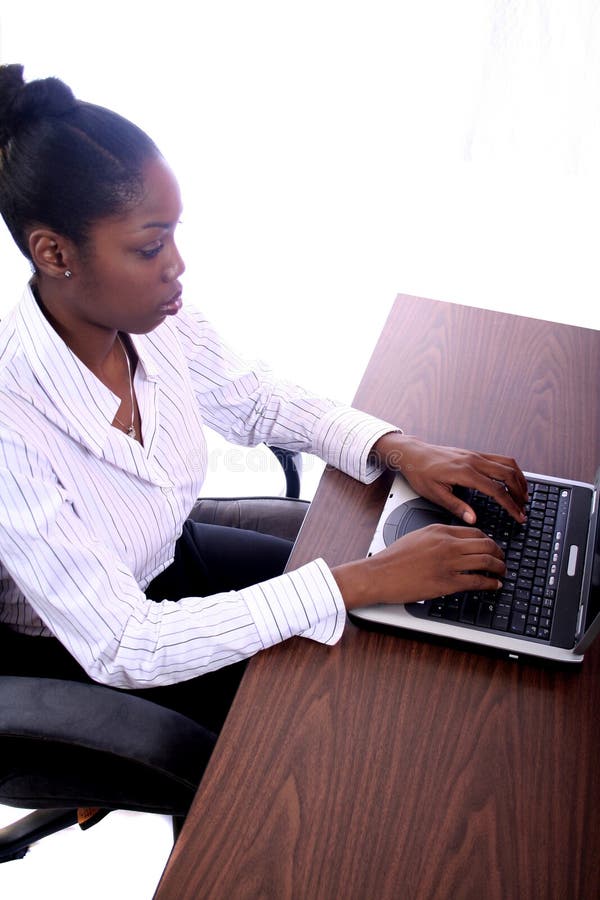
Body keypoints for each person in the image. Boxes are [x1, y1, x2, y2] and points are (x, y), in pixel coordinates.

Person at [0, 65, 528, 734]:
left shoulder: (148, 321)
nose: (177, 265)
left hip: (169, 561)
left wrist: (397, 447)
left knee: (398, 636)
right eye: (149, 245)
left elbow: (255, 401)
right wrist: (357, 581)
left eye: (174, 233)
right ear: (54, 252)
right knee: (342, 722)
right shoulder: (10, 424)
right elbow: (126, 644)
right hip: (80, 658)